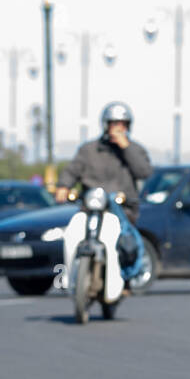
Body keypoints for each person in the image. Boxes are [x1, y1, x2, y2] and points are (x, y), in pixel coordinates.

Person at [56, 101, 152, 287]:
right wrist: (63, 186)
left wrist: (126, 148)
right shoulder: (89, 150)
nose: (117, 128)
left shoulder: (135, 150)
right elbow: (72, 170)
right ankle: (71, 279)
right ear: (106, 125)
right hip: (90, 210)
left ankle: (119, 283)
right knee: (71, 234)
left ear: (127, 126)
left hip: (121, 210)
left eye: (122, 124)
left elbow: (144, 172)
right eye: (113, 123)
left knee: (113, 240)